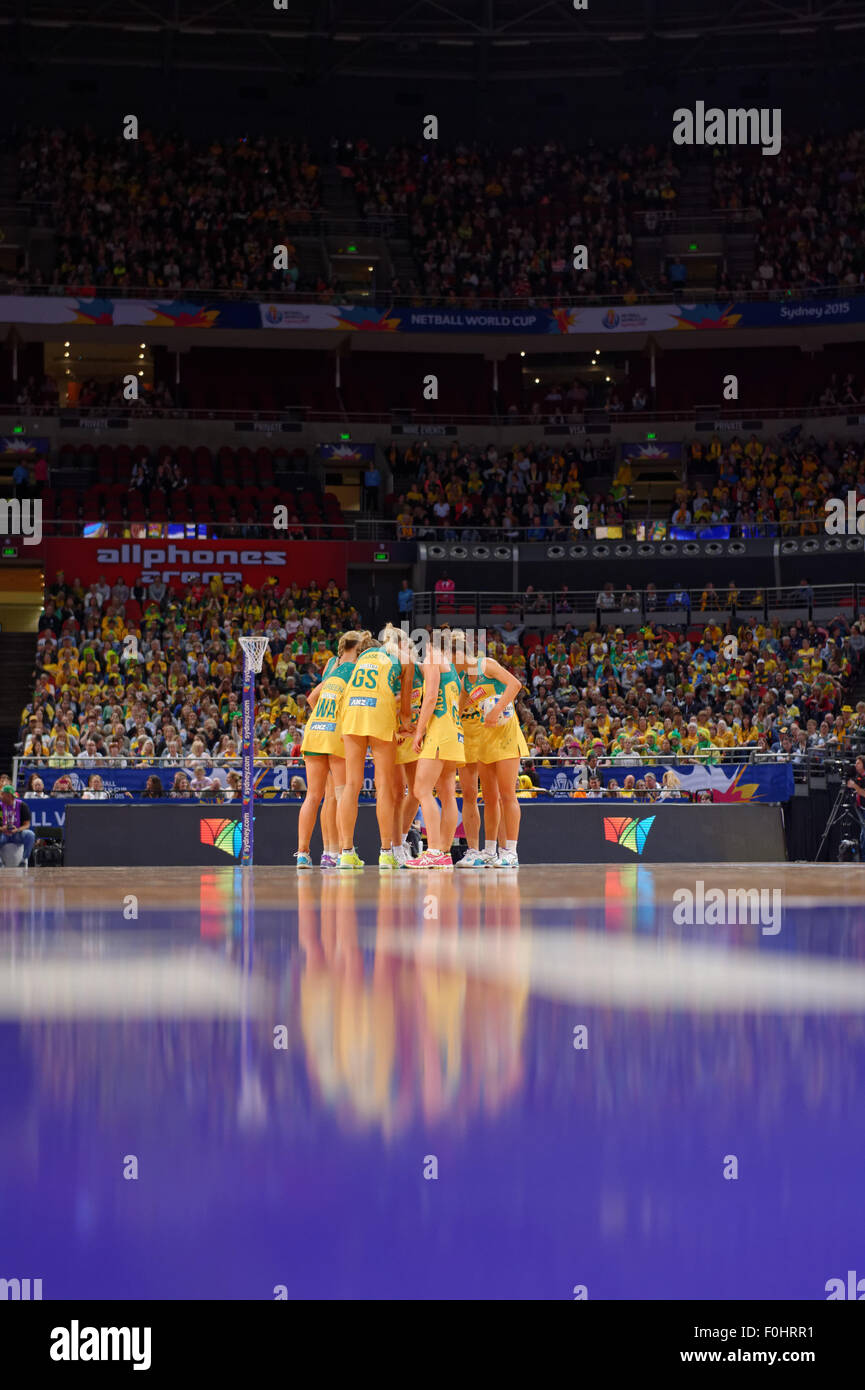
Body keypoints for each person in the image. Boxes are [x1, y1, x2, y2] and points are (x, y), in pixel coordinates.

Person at [453, 642, 527, 868]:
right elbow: (460, 706)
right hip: (485, 739)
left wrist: (496, 710)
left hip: (505, 735)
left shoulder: (486, 665)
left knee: (507, 795)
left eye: (450, 657)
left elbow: (515, 685)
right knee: (490, 797)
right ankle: (488, 851)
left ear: (459, 654)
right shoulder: (466, 680)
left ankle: (511, 852)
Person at [296, 630, 363, 868]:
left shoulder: (332, 669)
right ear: (358, 650)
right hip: (336, 733)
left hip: (315, 729)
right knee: (342, 794)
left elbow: (312, 699)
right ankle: (344, 851)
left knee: (313, 797)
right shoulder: (357, 670)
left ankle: (303, 853)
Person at [337, 628, 401, 869]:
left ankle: (346, 852)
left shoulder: (356, 665)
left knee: (351, 785)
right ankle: (385, 852)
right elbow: (400, 694)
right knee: (383, 784)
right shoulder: (391, 658)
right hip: (379, 714)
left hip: (353, 713)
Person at [406, 637, 466, 869]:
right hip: (455, 731)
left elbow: (431, 697)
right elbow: (460, 698)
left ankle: (432, 851)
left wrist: (419, 732)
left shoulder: (432, 658)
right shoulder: (449, 666)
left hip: (439, 731)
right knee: (447, 794)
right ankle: (444, 852)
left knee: (421, 789)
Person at [451, 631, 501, 867]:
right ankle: (473, 850)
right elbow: (456, 711)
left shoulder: (484, 667)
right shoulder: (456, 678)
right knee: (469, 795)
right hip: (466, 737)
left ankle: (500, 851)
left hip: (490, 733)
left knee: (494, 797)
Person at [0, 783, 35, 867]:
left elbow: (27, 825)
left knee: (30, 834)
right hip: (3, 835)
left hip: (17, 833)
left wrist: (17, 829)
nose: (0, 796)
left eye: (2, 794)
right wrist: (2, 829)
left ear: (9, 795)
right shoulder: (0, 806)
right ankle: (0, 862)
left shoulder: (22, 806)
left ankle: (23, 860)